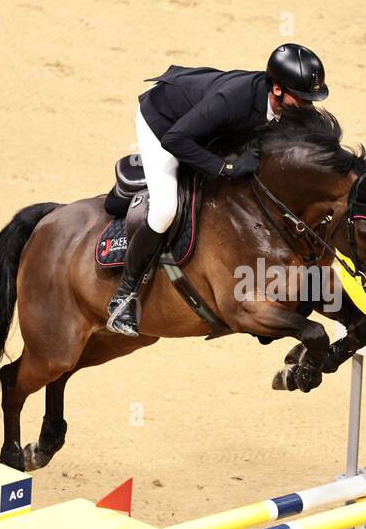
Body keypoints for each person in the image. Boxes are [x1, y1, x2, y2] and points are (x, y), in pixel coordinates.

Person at [106, 43, 330, 336]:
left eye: (309, 100)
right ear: (276, 89)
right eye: (300, 99)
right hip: (164, 124)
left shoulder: (287, 109)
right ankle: (124, 296)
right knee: (164, 209)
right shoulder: (233, 101)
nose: (306, 107)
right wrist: (226, 169)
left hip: (213, 130)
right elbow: (177, 140)